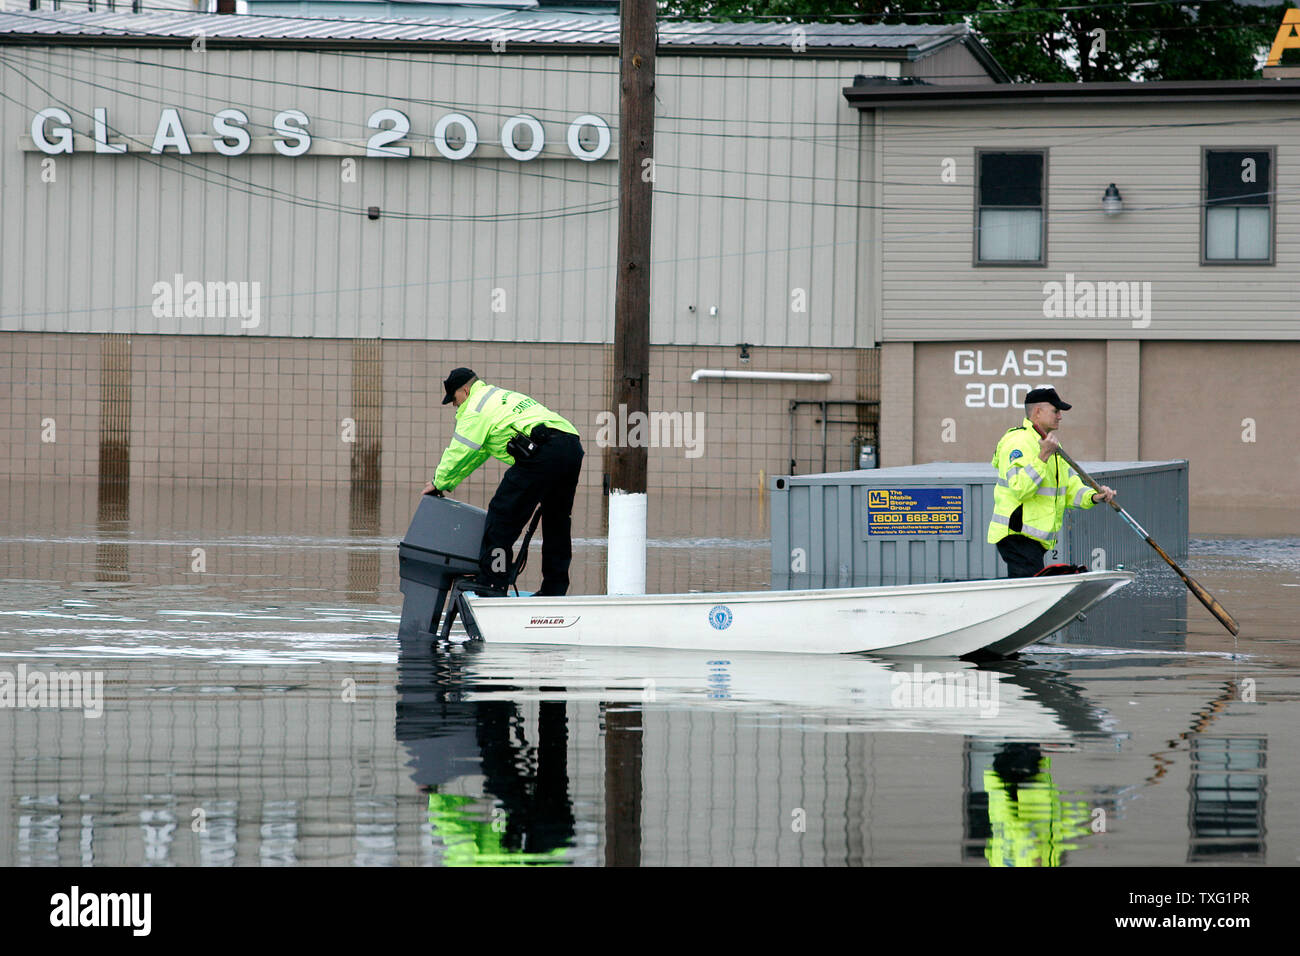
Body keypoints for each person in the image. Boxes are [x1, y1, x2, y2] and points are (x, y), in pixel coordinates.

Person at [422, 368, 584, 596]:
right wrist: (449, 481)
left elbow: (459, 452)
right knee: (556, 521)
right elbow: (476, 455)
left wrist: (438, 482)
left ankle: (491, 583)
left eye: (455, 399)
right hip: (570, 444)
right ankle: (554, 590)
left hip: (542, 451)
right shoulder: (499, 397)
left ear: (465, 390)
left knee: (501, 517)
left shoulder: (475, 407)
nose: (455, 406)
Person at [986, 387, 1116, 578]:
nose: (1060, 416)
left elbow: (1070, 488)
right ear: (1037, 412)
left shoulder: (1052, 445)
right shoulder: (1018, 442)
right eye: (1055, 411)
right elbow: (1020, 489)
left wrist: (1095, 496)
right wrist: (1043, 457)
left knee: (1030, 589)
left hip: (1035, 540)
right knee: (1029, 591)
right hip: (1018, 535)